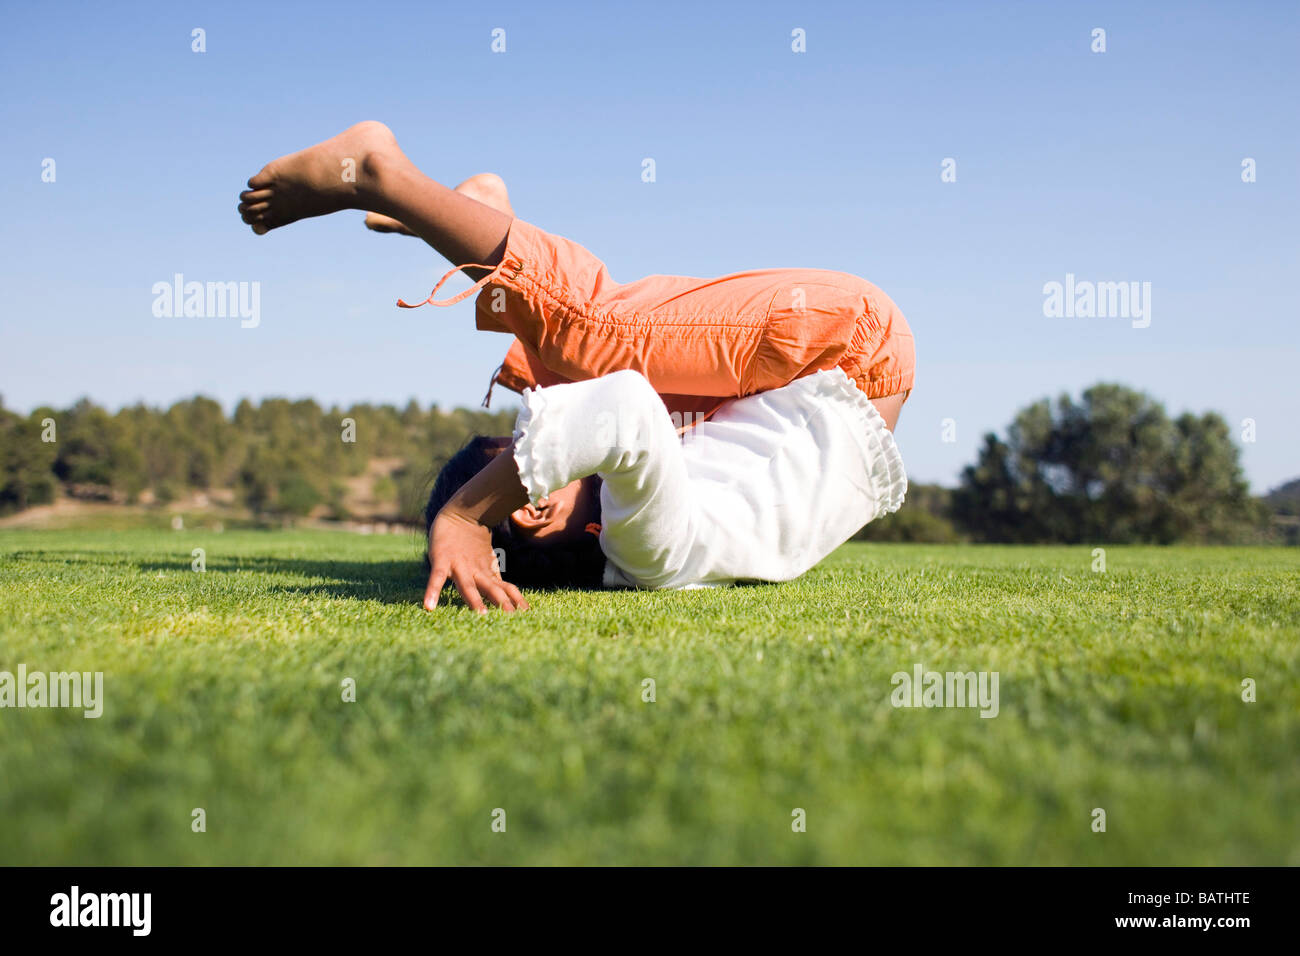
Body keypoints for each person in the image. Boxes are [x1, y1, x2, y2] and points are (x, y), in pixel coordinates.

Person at [239, 122, 914, 613]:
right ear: (530, 511)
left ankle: (480, 218)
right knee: (596, 333)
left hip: (816, 381)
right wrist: (466, 517)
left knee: (568, 364)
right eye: (526, 460)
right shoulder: (650, 546)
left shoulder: (639, 538)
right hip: (850, 348)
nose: (535, 442)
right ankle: (384, 173)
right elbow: (618, 407)